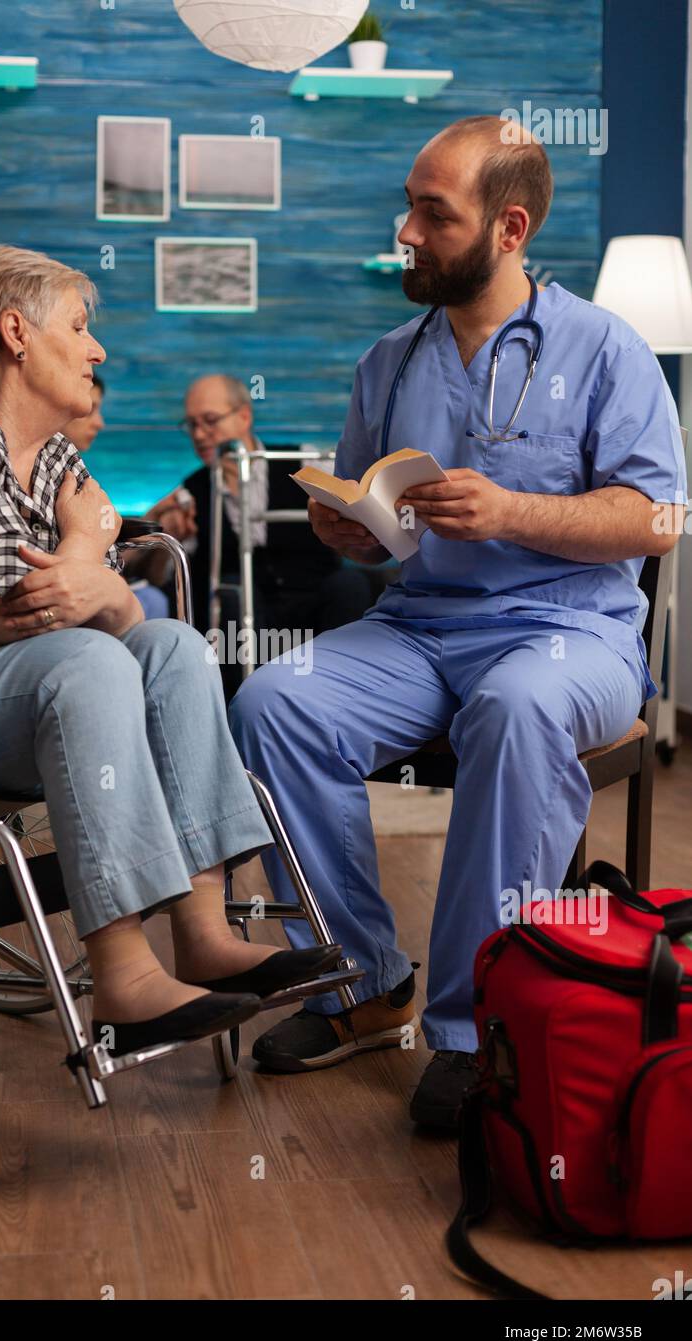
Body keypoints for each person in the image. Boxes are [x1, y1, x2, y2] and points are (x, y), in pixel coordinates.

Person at [229, 117, 686, 1127]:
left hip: (568, 630)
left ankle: (477, 1026)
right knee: (271, 700)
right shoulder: (387, 362)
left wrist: (512, 512)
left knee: (517, 707)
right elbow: (371, 512)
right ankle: (360, 985)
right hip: (420, 623)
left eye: (432, 214)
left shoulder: (604, 348)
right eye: (409, 205)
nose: (405, 230)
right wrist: (348, 530)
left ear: (507, 226)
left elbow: (655, 520)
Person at [0, 243, 341, 1056]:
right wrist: (91, 559)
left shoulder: (58, 456)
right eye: (80, 324)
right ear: (15, 332)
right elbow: (12, 615)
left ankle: (202, 935)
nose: (97, 349)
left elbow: (97, 618)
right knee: (92, 658)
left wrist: (94, 569)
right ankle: (125, 978)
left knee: (171, 646)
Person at [146, 374, 375, 699]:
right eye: (191, 425)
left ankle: (347, 699)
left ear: (244, 416)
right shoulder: (190, 494)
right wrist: (163, 533)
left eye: (209, 421)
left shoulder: (304, 463)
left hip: (310, 607)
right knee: (230, 593)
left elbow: (361, 510)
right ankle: (236, 712)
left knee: (350, 585)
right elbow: (165, 579)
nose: (199, 434)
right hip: (244, 627)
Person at [62, 371, 170, 620]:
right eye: (91, 408)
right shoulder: (72, 483)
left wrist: (154, 515)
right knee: (153, 602)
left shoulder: (77, 474)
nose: (100, 423)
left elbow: (107, 551)